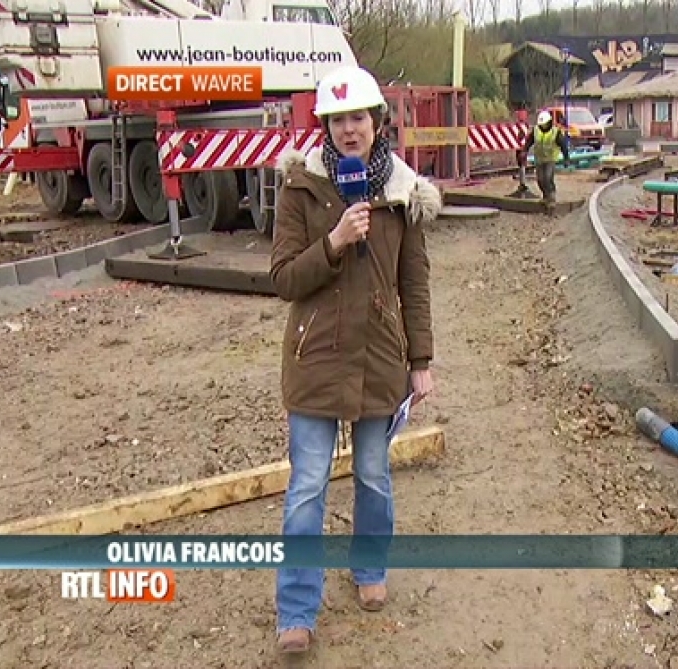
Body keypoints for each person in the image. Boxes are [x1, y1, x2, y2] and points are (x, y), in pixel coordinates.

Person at [268, 64, 441, 655]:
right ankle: (296, 608)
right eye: (337, 119)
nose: (348, 129)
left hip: (380, 360)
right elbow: (285, 278)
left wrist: (421, 359)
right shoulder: (301, 188)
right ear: (325, 124)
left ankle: (369, 570)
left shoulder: (402, 192)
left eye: (357, 118)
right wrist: (335, 241)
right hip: (314, 358)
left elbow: (413, 283)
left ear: (377, 122)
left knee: (373, 475)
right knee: (308, 487)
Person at [521, 110, 571, 203]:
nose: (542, 126)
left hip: (550, 159)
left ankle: (551, 196)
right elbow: (529, 142)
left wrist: (566, 158)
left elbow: (563, 145)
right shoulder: (536, 130)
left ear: (548, 122)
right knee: (540, 180)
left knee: (548, 178)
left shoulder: (555, 132)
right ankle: (545, 195)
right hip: (539, 159)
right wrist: (524, 151)